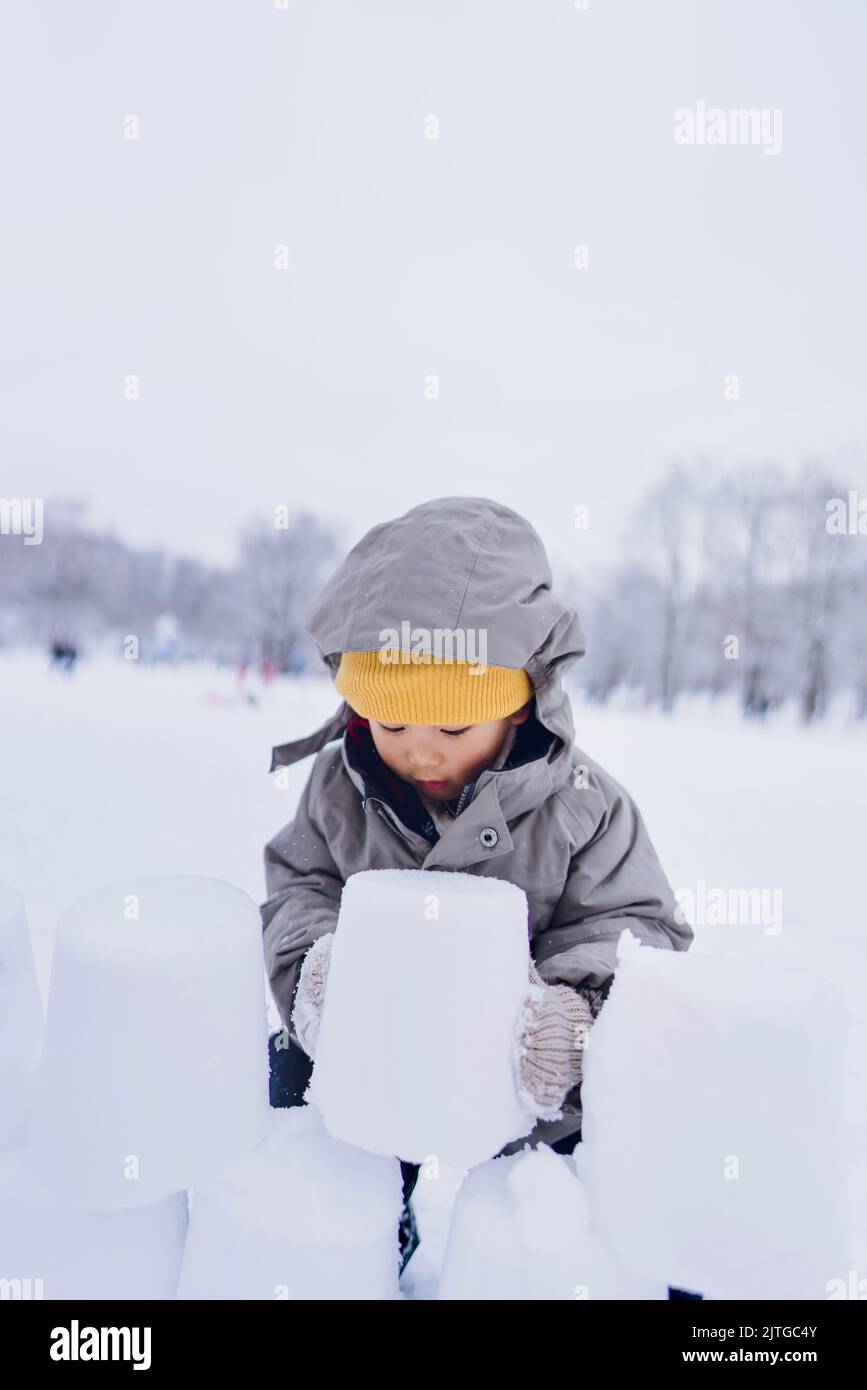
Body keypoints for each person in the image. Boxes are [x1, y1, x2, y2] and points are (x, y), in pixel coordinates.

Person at [260, 496, 700, 1296]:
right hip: (377, 1042)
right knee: (291, 1084)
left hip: (523, 1066)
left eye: (453, 727)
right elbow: (300, 887)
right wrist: (318, 978)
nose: (418, 748)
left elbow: (639, 928)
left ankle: (583, 1266)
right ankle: (346, 1242)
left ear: (523, 699)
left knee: (634, 1125)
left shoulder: (581, 803)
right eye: (390, 720)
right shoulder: (337, 786)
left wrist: (573, 1021)